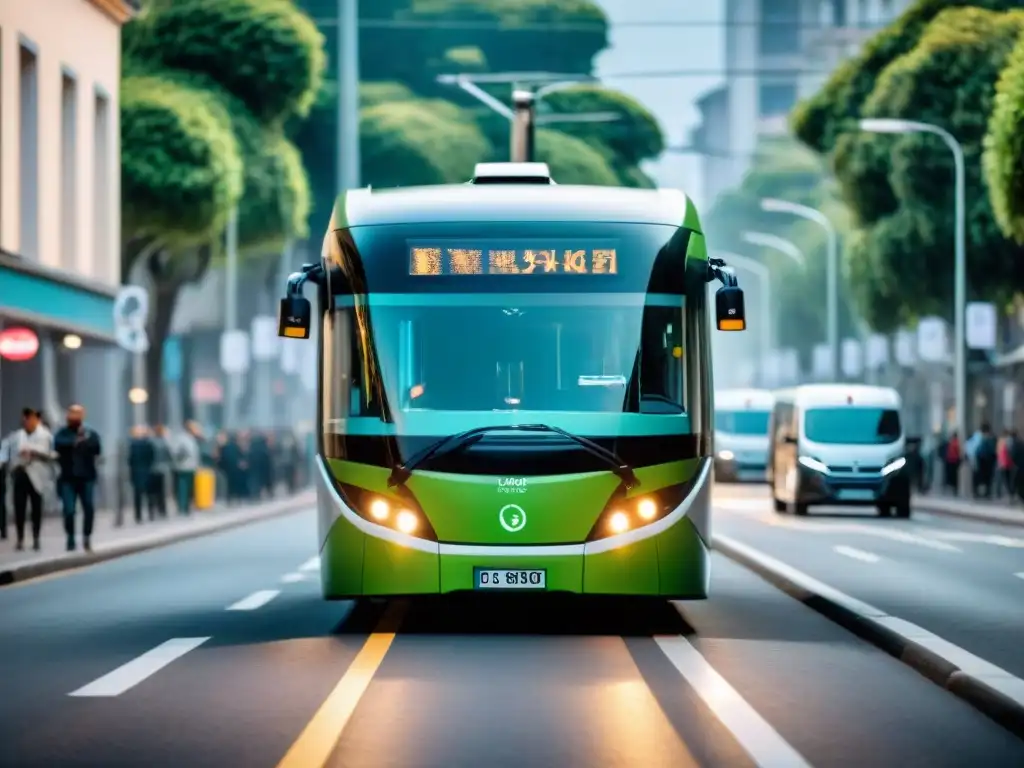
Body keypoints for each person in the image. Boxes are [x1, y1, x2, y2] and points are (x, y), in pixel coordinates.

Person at [53, 404, 102, 552]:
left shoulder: (90, 433)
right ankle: (70, 538)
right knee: (69, 510)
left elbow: (97, 449)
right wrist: (75, 441)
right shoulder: (62, 433)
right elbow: (57, 445)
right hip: (68, 478)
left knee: (88, 507)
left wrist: (83, 440)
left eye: (78, 413)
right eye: (72, 413)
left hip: (87, 477)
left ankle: (87, 537)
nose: (75, 416)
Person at [9, 408, 55, 551]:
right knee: (19, 507)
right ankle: (20, 538)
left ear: (35, 419)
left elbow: (48, 452)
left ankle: (36, 538)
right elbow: (13, 452)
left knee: (36, 508)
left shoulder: (45, 435)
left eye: (29, 419)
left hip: (37, 475)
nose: (27, 422)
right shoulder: (18, 435)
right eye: (25, 420)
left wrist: (31, 450)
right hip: (21, 473)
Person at [170, 422, 201, 515]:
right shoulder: (181, 438)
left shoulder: (192, 439)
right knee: (182, 488)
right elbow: (176, 451)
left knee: (190, 489)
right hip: (183, 467)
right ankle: (182, 508)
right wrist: (183, 455)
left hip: (191, 467)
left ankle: (187, 507)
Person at [127, 425, 156, 523]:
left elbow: (130, 460)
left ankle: (138, 516)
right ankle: (151, 513)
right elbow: (152, 457)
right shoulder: (148, 444)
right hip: (147, 471)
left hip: (136, 472)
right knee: (149, 494)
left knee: (138, 495)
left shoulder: (132, 445)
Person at [149, 424, 171, 518]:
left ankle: (152, 511)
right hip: (162, 469)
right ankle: (162, 510)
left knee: (152, 491)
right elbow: (168, 455)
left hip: (152, 469)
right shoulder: (164, 442)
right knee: (161, 492)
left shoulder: (151, 442)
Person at [0, 431, 10, 540]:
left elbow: (3, 460)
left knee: (1, 503)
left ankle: (3, 529)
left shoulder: (4, 443)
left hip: (1, 476)